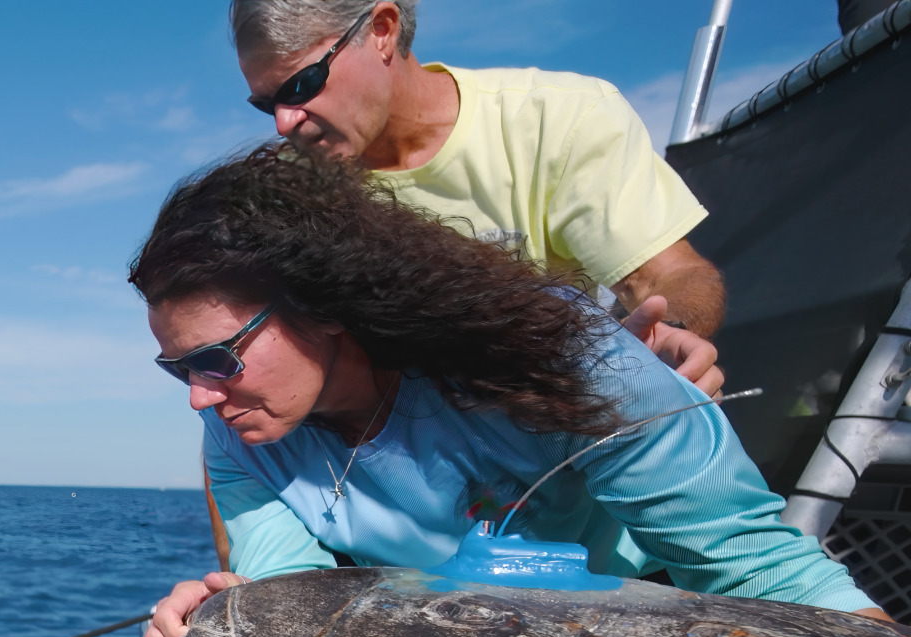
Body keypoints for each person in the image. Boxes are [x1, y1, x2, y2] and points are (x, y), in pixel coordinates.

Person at [130, 148, 893, 637]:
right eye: (180, 371)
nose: (200, 399)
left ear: (323, 303)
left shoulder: (564, 362)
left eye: (218, 358)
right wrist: (222, 629)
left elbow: (757, 571)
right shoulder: (241, 436)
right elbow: (295, 612)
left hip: (642, 636)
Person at [229, 0, 724, 387]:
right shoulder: (280, 196)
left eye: (301, 85)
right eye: (265, 103)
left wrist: (670, 331)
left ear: (382, 29)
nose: (282, 122)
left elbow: (670, 275)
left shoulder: (560, 119)